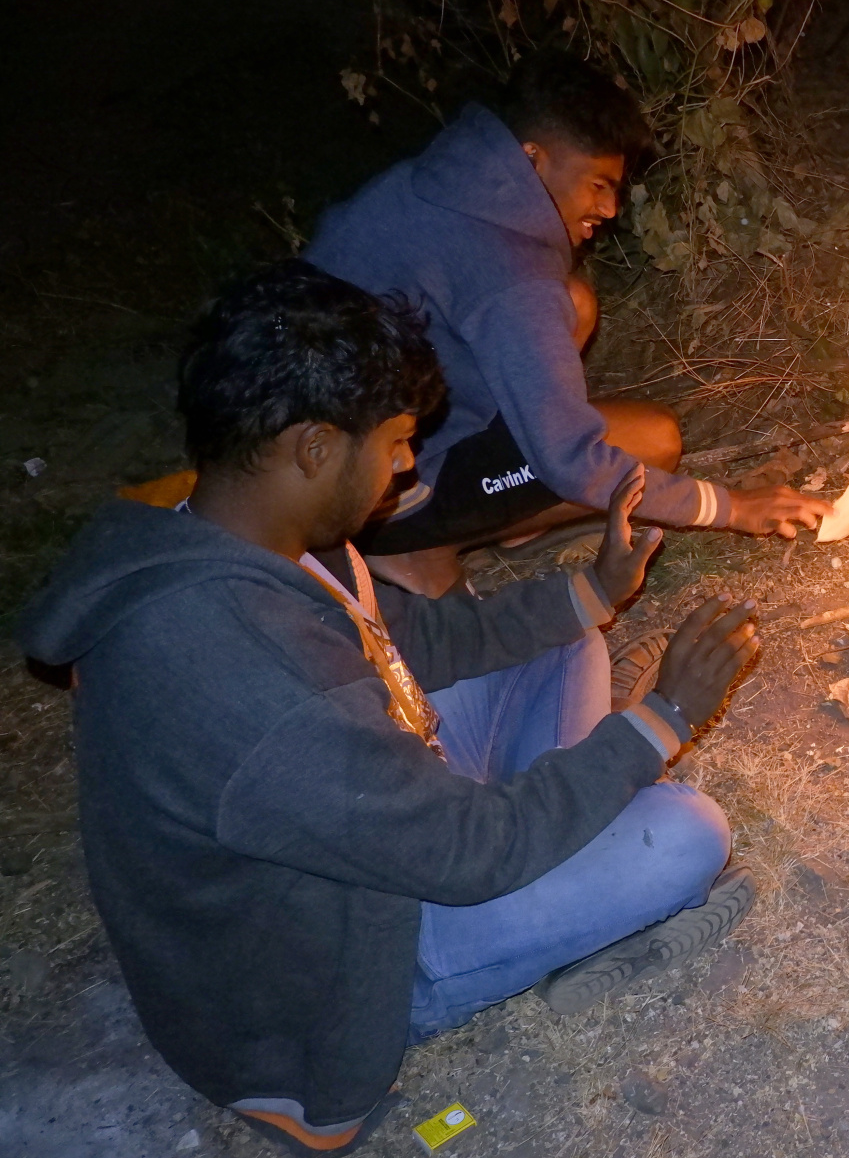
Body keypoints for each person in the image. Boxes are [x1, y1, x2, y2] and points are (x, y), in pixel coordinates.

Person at [16, 262, 762, 1157]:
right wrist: (664, 716)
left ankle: (558, 868)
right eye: (397, 441)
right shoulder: (243, 675)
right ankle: (558, 885)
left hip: (367, 838)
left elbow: (416, 642)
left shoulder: (241, 536)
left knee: (564, 643)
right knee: (686, 834)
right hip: (333, 983)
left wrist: (594, 590)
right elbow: (464, 847)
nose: (407, 464)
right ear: (315, 448)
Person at [304, 50, 825, 596]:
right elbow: (571, 460)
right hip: (371, 494)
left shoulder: (439, 178)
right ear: (532, 159)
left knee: (572, 302)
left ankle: (494, 518)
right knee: (653, 440)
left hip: (318, 452)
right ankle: (416, 546)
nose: (611, 208)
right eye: (598, 184)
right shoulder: (508, 271)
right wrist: (729, 506)